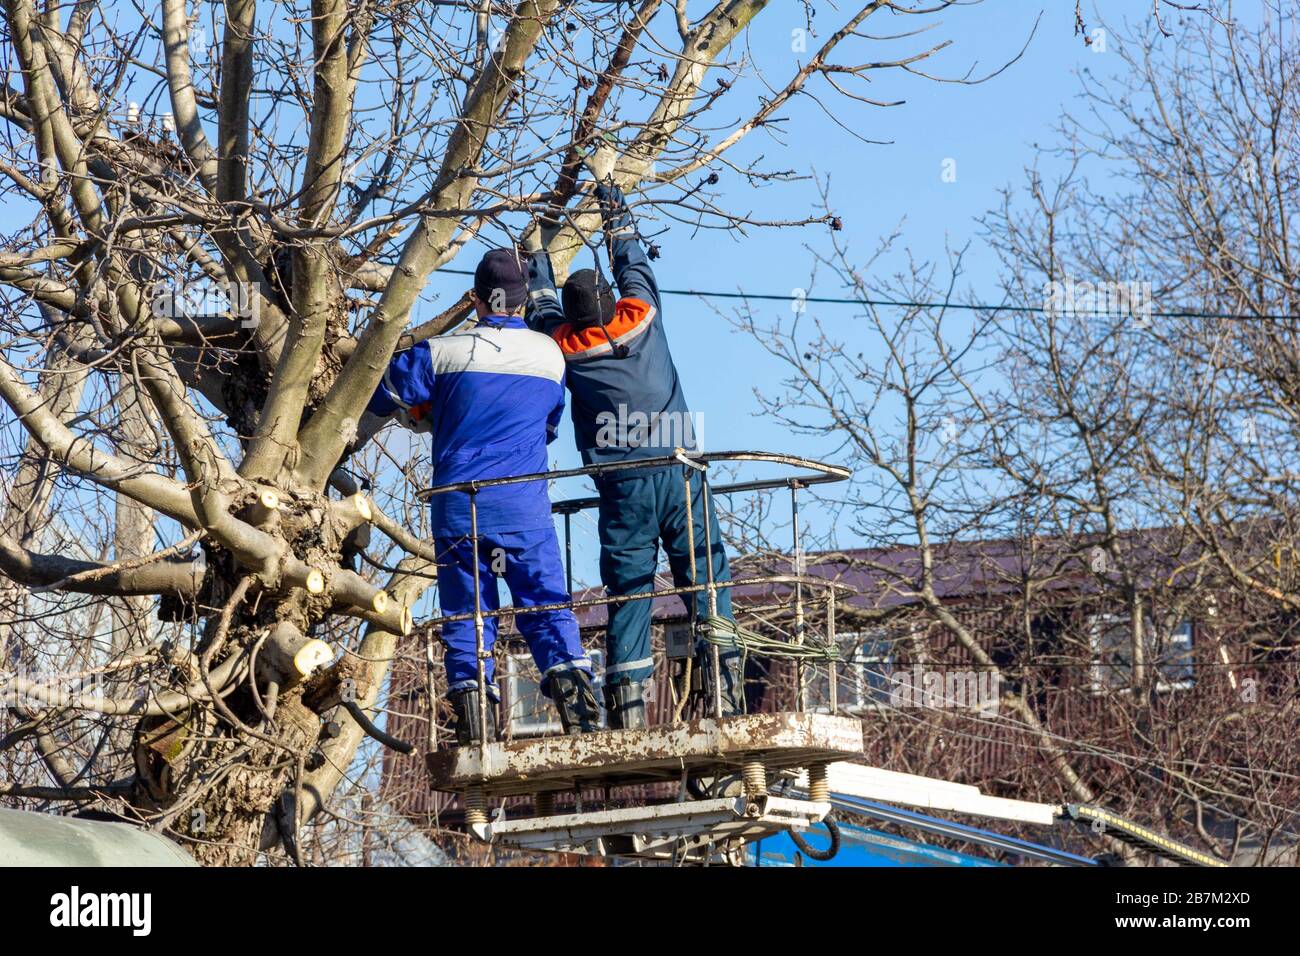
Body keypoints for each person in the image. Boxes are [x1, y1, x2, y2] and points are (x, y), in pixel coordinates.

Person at [524, 163, 743, 730]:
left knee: (628, 591)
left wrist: (536, 255)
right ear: (608, 300)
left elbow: (541, 306)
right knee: (705, 570)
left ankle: (627, 704)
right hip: (680, 469)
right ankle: (726, 678)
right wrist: (608, 188)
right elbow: (631, 257)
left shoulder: (564, 348)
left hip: (623, 486)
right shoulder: (642, 317)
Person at [368, 248, 600, 745]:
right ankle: (580, 716)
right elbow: (548, 428)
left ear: (476, 298)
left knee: (467, 612)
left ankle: (474, 728)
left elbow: (380, 392)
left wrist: (432, 416)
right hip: (521, 508)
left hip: (460, 508)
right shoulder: (550, 356)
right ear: (520, 302)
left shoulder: (442, 353)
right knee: (545, 606)